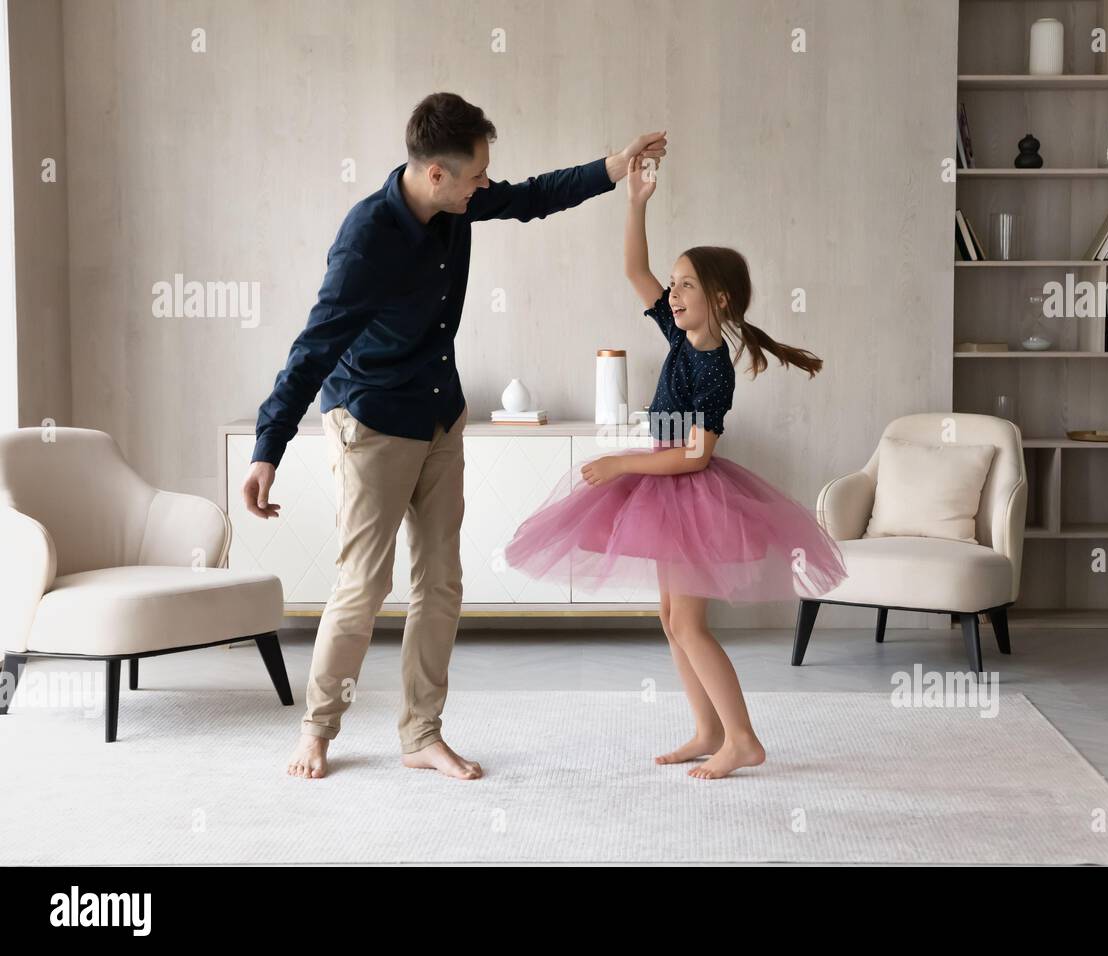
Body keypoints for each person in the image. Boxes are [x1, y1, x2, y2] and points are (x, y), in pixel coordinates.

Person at [243, 91, 667, 780]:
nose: (485, 186)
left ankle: (421, 735)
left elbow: (532, 197)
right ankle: (318, 730)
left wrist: (615, 167)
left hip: (440, 414)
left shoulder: (455, 203)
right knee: (363, 586)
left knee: (441, 584)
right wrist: (268, 447)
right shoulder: (367, 240)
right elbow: (313, 348)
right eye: (475, 175)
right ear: (435, 174)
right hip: (372, 424)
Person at [503, 154, 848, 779]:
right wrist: (636, 201)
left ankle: (742, 738)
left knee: (689, 624)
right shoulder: (680, 335)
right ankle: (707, 730)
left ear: (716, 299)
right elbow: (635, 267)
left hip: (686, 487)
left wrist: (622, 465)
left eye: (684, 283)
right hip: (662, 481)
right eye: (674, 282)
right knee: (671, 620)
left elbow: (696, 456)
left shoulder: (712, 363)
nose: (671, 290)